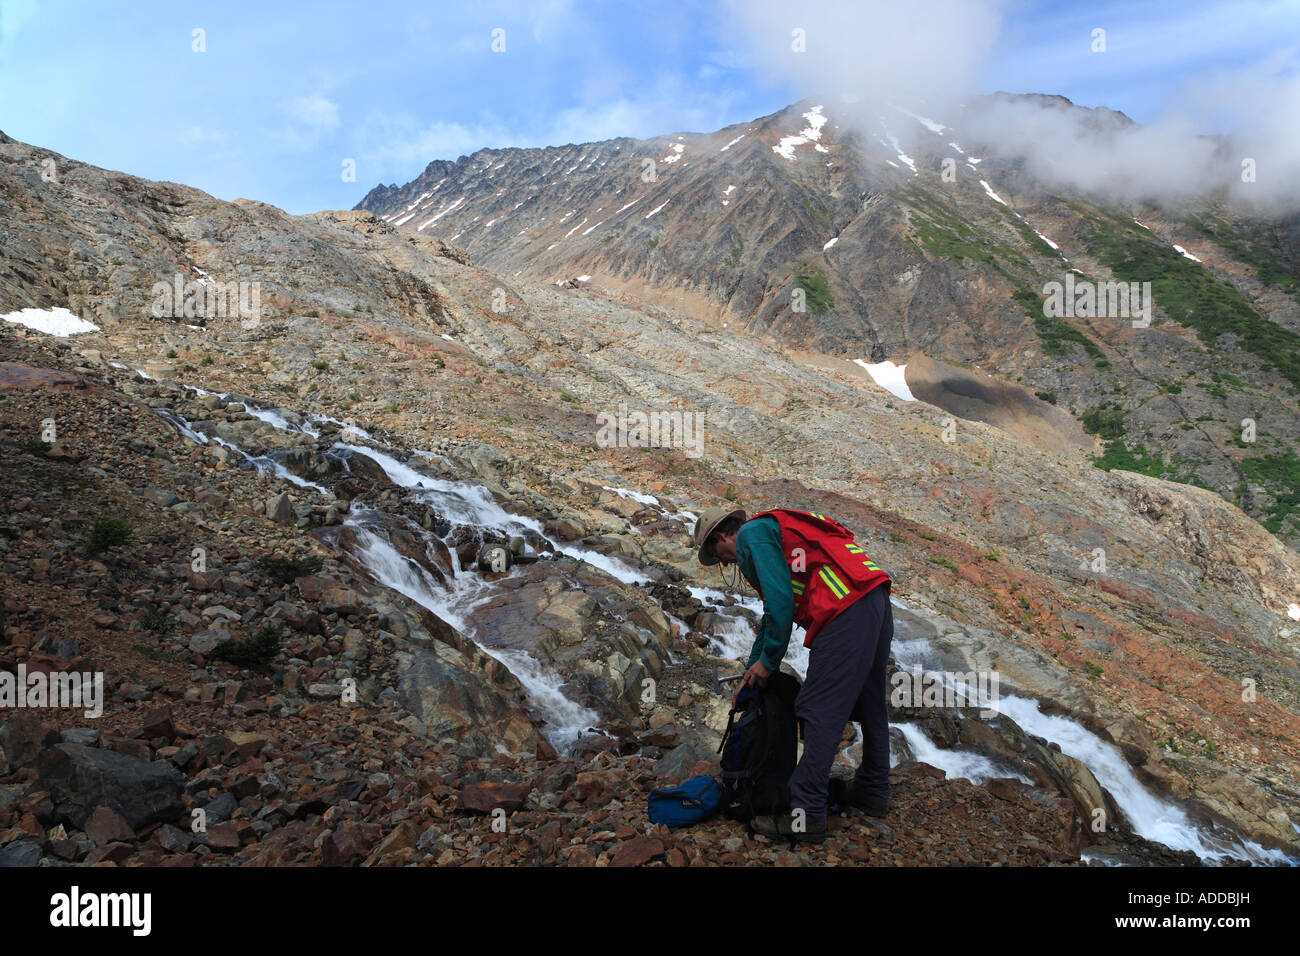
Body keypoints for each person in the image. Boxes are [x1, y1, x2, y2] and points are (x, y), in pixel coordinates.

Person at [693, 506, 893, 844]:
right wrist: (752, 669)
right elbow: (773, 614)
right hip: (874, 600)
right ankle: (873, 789)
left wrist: (768, 662)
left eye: (720, 557)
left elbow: (781, 605)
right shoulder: (775, 531)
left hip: (843, 611)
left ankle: (807, 813)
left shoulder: (752, 536)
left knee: (817, 708)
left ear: (722, 536)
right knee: (871, 700)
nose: (728, 564)